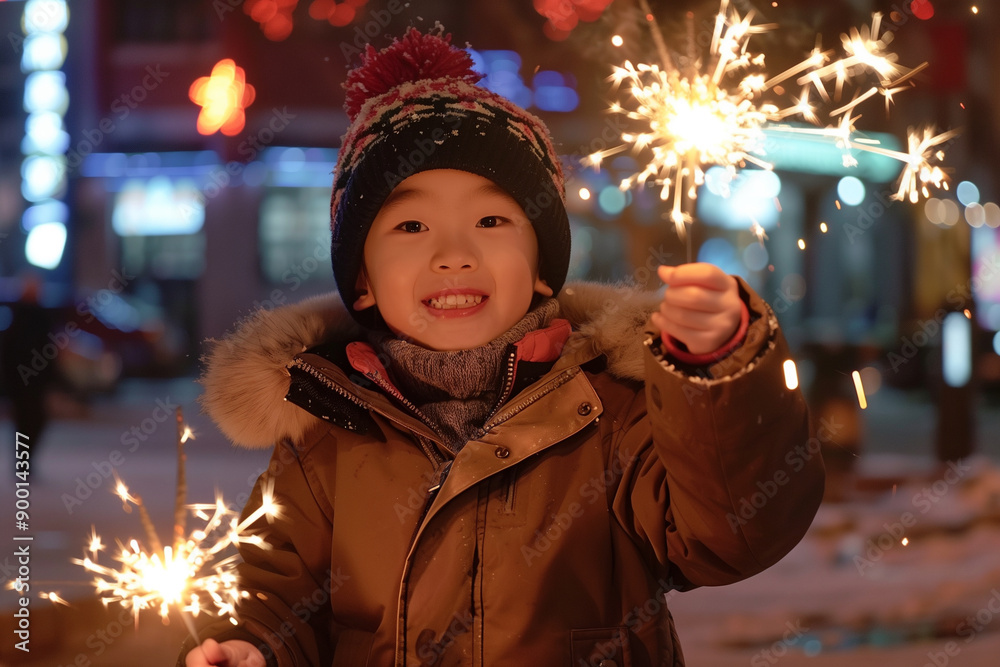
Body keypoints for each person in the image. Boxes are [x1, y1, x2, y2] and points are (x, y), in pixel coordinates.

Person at [181, 28, 824, 667]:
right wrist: (256, 648)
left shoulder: (611, 409)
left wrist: (717, 373)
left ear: (542, 267)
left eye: (491, 222)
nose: (454, 255)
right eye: (411, 225)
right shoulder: (326, 432)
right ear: (363, 281)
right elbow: (276, 597)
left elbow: (731, 534)